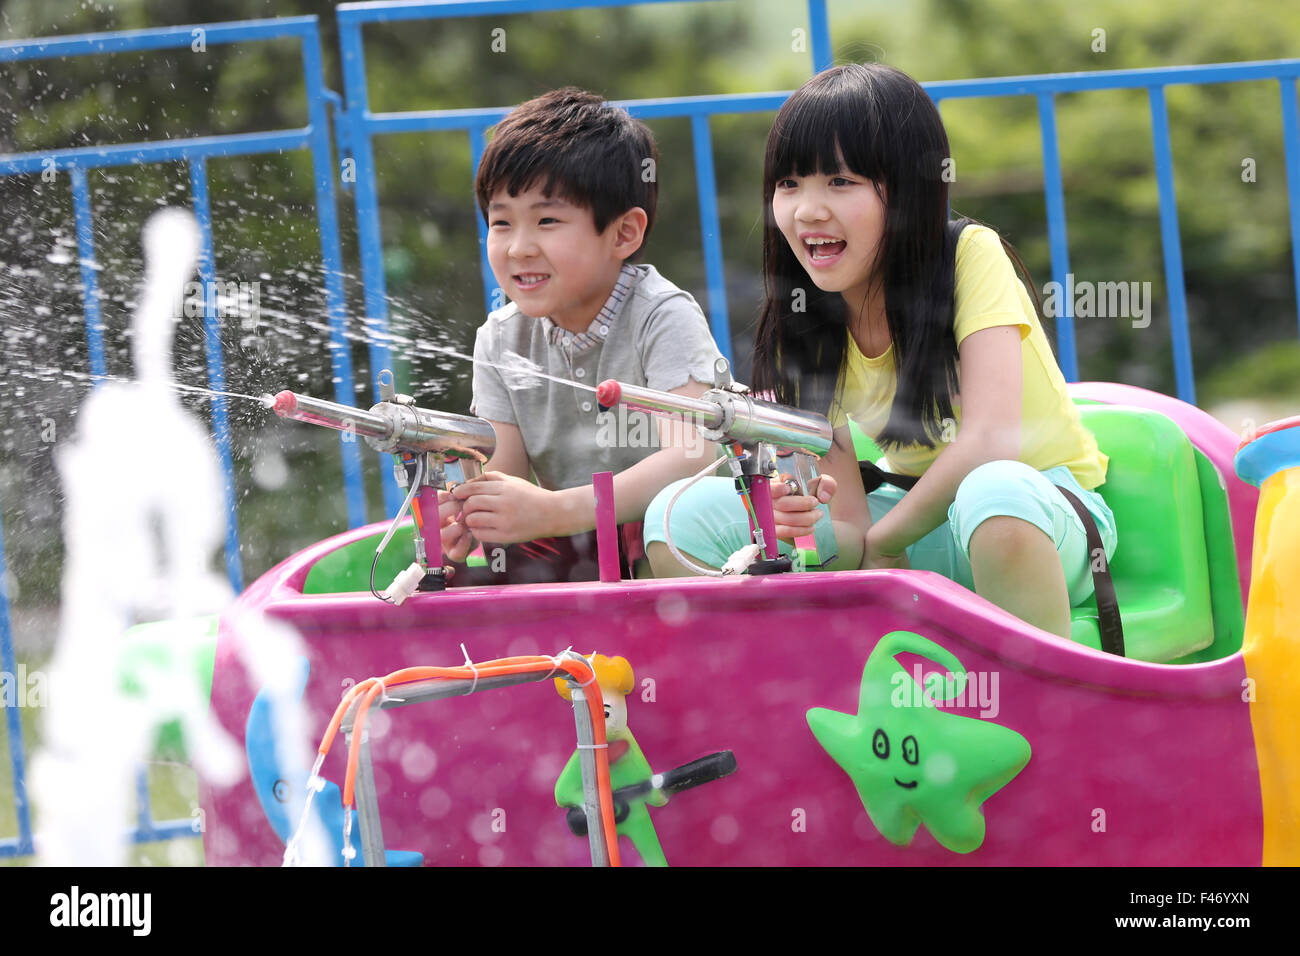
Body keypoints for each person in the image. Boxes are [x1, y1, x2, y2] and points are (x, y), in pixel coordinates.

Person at [643, 64, 1117, 639]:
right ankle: (758, 703)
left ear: (907, 192)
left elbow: (993, 443)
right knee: (675, 513)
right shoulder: (806, 309)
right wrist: (804, 522)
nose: (807, 210)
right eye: (789, 184)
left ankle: (1039, 716)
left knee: (993, 490)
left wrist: (886, 544)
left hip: (1039, 516)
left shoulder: (969, 254)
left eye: (840, 183)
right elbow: (850, 524)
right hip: (913, 520)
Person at [440, 87, 722, 583]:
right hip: (576, 553)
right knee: (456, 580)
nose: (519, 248)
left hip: (669, 547)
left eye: (547, 220)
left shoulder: (660, 315)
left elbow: (696, 457)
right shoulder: (500, 339)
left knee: (664, 527)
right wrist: (468, 518)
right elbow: (501, 476)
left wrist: (559, 510)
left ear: (623, 233)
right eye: (501, 222)